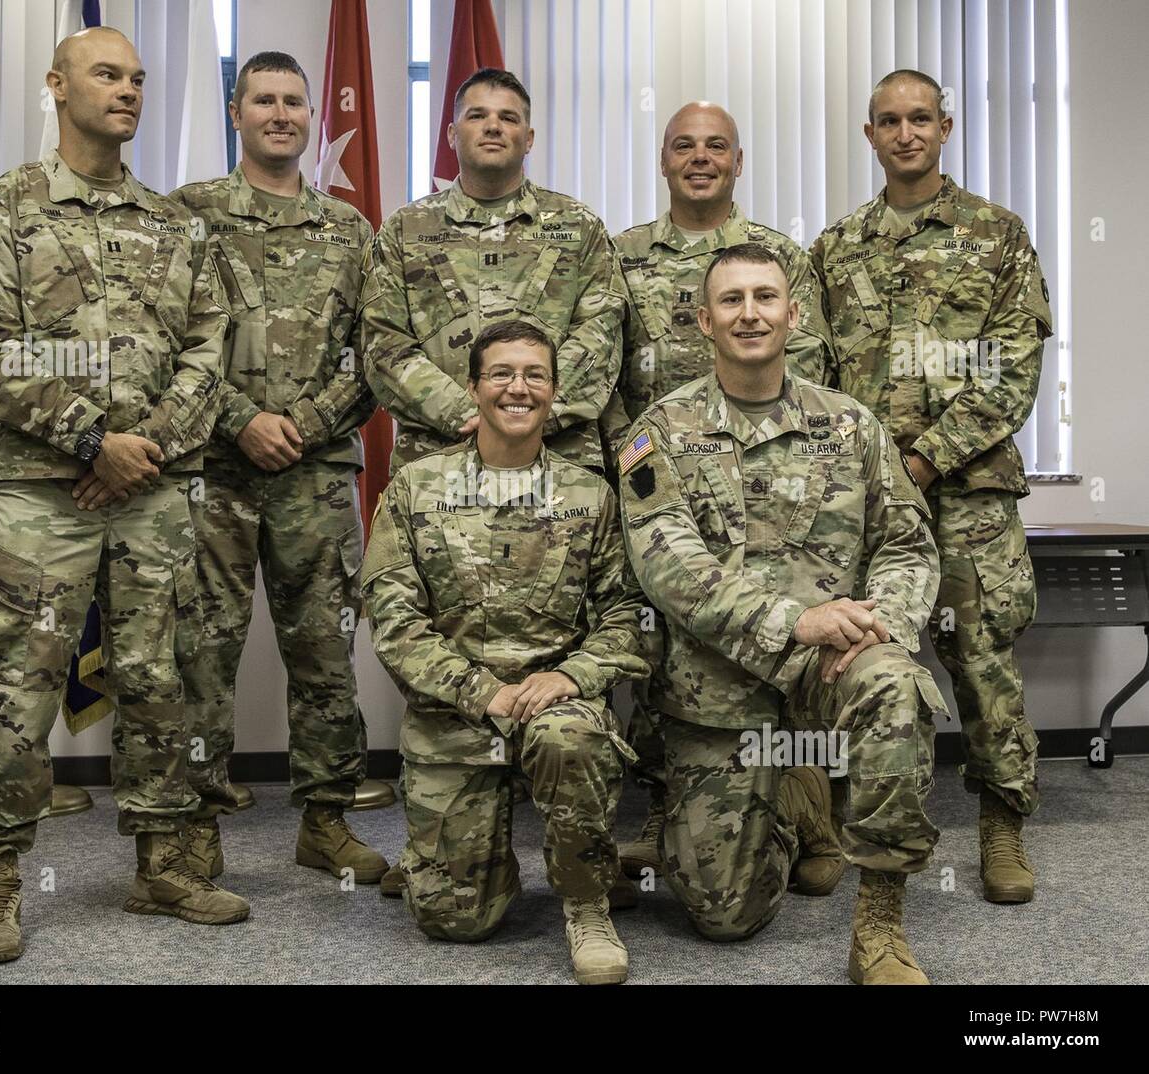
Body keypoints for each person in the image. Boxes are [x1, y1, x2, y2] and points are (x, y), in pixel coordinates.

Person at [0, 27, 247, 965]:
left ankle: (161, 862)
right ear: (57, 85)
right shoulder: (2, 211)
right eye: (107, 75)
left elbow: (209, 349)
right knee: (20, 682)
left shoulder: (174, 224)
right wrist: (90, 440)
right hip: (45, 490)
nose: (127, 91)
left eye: (137, 79)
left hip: (155, 486)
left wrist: (143, 447)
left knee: (160, 677)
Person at [620, 243, 949, 984]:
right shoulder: (660, 431)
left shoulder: (852, 426)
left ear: (794, 315)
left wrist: (879, 630)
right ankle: (799, 804)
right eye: (731, 300)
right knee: (724, 917)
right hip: (721, 690)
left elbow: (908, 546)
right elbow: (669, 566)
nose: (750, 313)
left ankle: (881, 926)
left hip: (834, 666)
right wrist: (796, 623)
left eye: (765, 297)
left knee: (895, 684)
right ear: (704, 321)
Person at [810, 69, 1052, 904]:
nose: (905, 133)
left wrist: (925, 459)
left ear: (946, 128)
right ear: (869, 134)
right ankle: (840, 819)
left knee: (982, 663)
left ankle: (1001, 822)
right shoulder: (835, 247)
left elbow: (1014, 369)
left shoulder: (999, 236)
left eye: (920, 119)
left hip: (968, 494)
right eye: (888, 121)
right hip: (864, 503)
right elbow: (816, 377)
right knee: (854, 656)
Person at [361, 320, 658, 985]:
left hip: (555, 709)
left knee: (571, 734)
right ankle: (453, 855)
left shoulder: (591, 495)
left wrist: (570, 676)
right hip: (455, 719)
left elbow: (628, 620)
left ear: (554, 393)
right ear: (473, 388)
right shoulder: (415, 489)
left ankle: (586, 901)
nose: (517, 388)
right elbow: (394, 621)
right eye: (501, 374)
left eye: (535, 376)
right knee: (455, 921)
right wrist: (483, 693)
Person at [169, 51, 387, 885]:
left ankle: (325, 820)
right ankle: (194, 827)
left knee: (327, 654)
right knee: (200, 653)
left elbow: (373, 352)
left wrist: (297, 424)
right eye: (264, 99)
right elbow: (169, 343)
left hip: (317, 472)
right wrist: (241, 420)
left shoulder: (349, 230)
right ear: (237, 112)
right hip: (213, 471)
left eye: (294, 101)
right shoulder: (186, 216)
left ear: (309, 116)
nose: (281, 113)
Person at [607, 101, 835, 877]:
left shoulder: (779, 255)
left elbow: (813, 376)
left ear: (739, 161)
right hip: (663, 485)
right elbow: (604, 374)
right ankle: (675, 808)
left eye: (716, 147)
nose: (699, 158)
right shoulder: (624, 255)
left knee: (789, 631)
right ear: (663, 160)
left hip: (774, 484)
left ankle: (807, 810)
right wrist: (628, 469)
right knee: (666, 641)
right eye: (683, 146)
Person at [360, 67, 625, 476]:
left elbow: (600, 335)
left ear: (529, 138)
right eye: (477, 115)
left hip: (560, 466)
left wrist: (523, 415)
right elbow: (384, 344)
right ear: (451, 134)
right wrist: (467, 412)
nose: (493, 127)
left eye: (508, 118)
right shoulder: (404, 230)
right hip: (438, 463)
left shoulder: (578, 227)